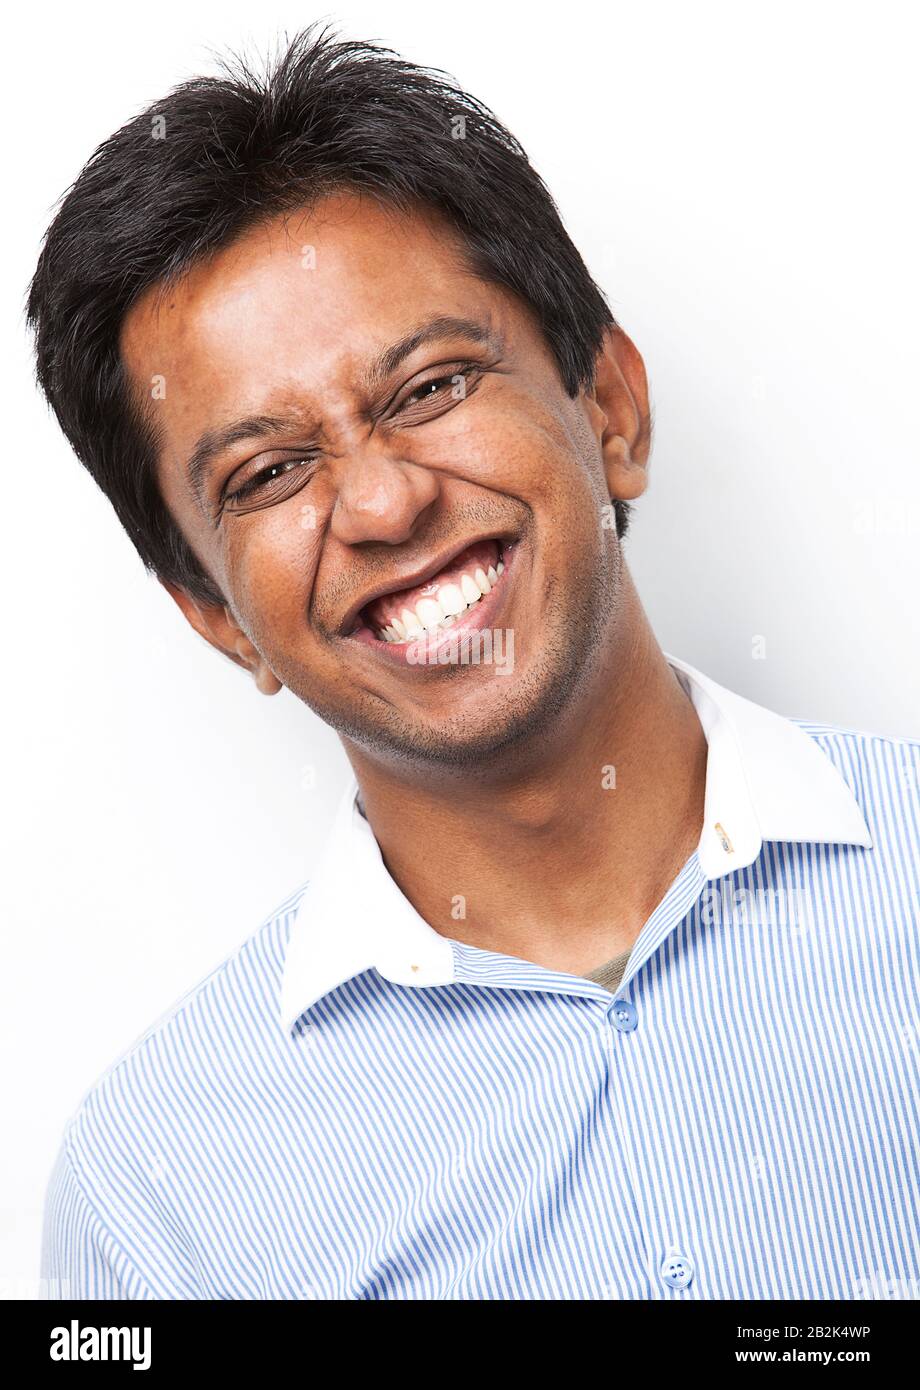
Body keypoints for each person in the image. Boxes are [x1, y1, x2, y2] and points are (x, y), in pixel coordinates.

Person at [28, 27, 919, 1301]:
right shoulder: (157, 1200)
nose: (383, 502)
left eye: (432, 385)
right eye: (269, 473)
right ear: (217, 616)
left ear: (607, 409)